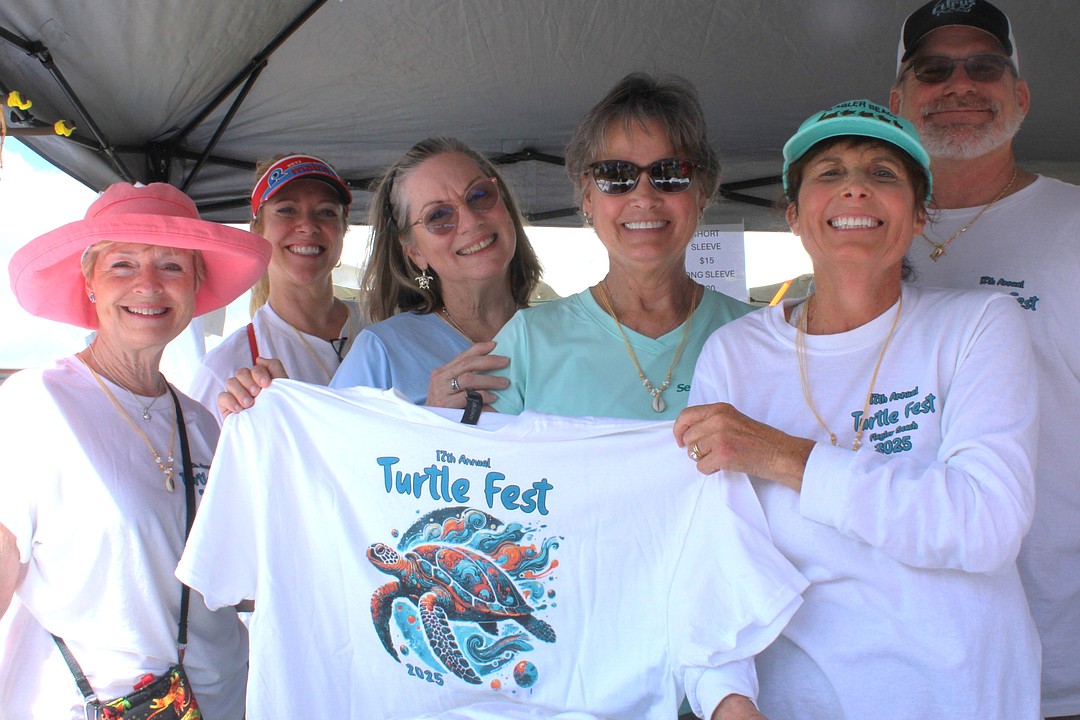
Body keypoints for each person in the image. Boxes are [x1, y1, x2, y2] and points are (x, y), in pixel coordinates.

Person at [675, 99, 1041, 718]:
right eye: (829, 173)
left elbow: (987, 525)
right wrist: (725, 698)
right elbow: (713, 555)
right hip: (801, 701)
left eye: (882, 173)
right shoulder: (735, 354)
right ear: (794, 215)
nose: (855, 188)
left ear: (920, 214)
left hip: (966, 695)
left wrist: (785, 457)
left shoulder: (979, 323)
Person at [0, 182, 270, 718]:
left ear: (196, 284)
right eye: (122, 265)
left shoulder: (203, 423)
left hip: (221, 700)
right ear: (90, 282)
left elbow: (237, 582)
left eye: (171, 266)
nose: (148, 284)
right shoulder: (37, 404)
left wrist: (272, 447)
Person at [889, 3, 1080, 716]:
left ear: (1020, 95)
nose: (960, 84)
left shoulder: (1074, 226)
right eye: (933, 69)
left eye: (984, 66)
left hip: (1058, 654)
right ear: (898, 102)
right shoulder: (858, 231)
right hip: (899, 655)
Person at [482, 72, 753, 421]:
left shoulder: (758, 338)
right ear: (588, 197)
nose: (644, 196)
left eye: (671, 172)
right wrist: (436, 411)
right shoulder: (526, 344)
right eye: (615, 174)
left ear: (702, 191)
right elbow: (473, 451)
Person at [329, 136, 542, 405]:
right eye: (438, 215)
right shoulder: (380, 351)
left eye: (479, 195)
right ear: (415, 251)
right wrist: (432, 416)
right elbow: (327, 434)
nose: (470, 221)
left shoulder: (566, 333)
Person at [188, 154, 366, 422]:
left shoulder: (383, 327)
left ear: (343, 230)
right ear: (256, 231)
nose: (308, 226)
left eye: (326, 212)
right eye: (287, 210)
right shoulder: (227, 367)